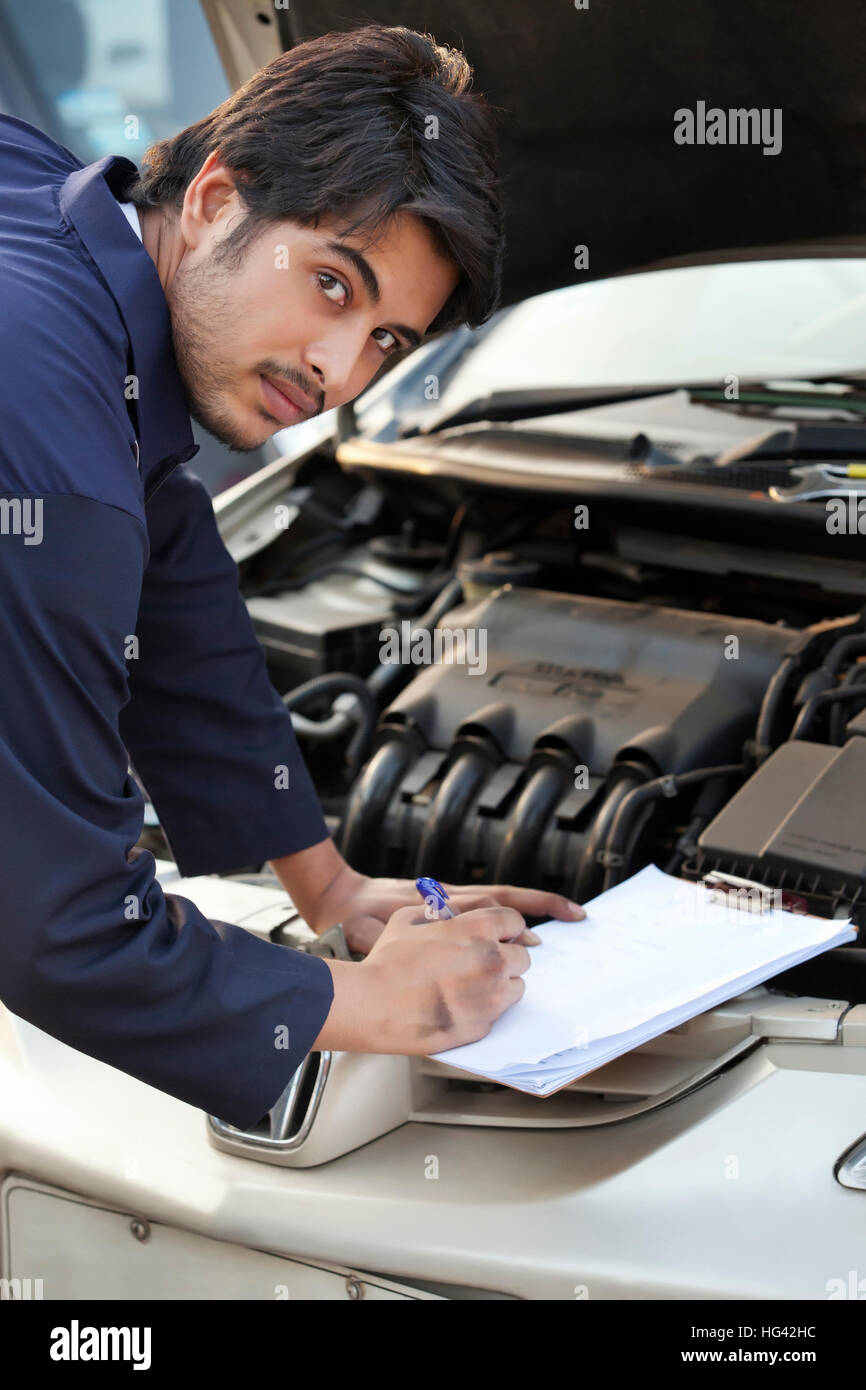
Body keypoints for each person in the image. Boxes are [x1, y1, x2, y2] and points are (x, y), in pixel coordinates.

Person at [0, 24, 584, 1131]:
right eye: (329, 283)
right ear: (216, 195)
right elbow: (52, 928)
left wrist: (325, 884)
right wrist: (360, 1001)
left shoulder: (38, 194)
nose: (335, 369)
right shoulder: (44, 459)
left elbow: (168, 541)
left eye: (384, 341)